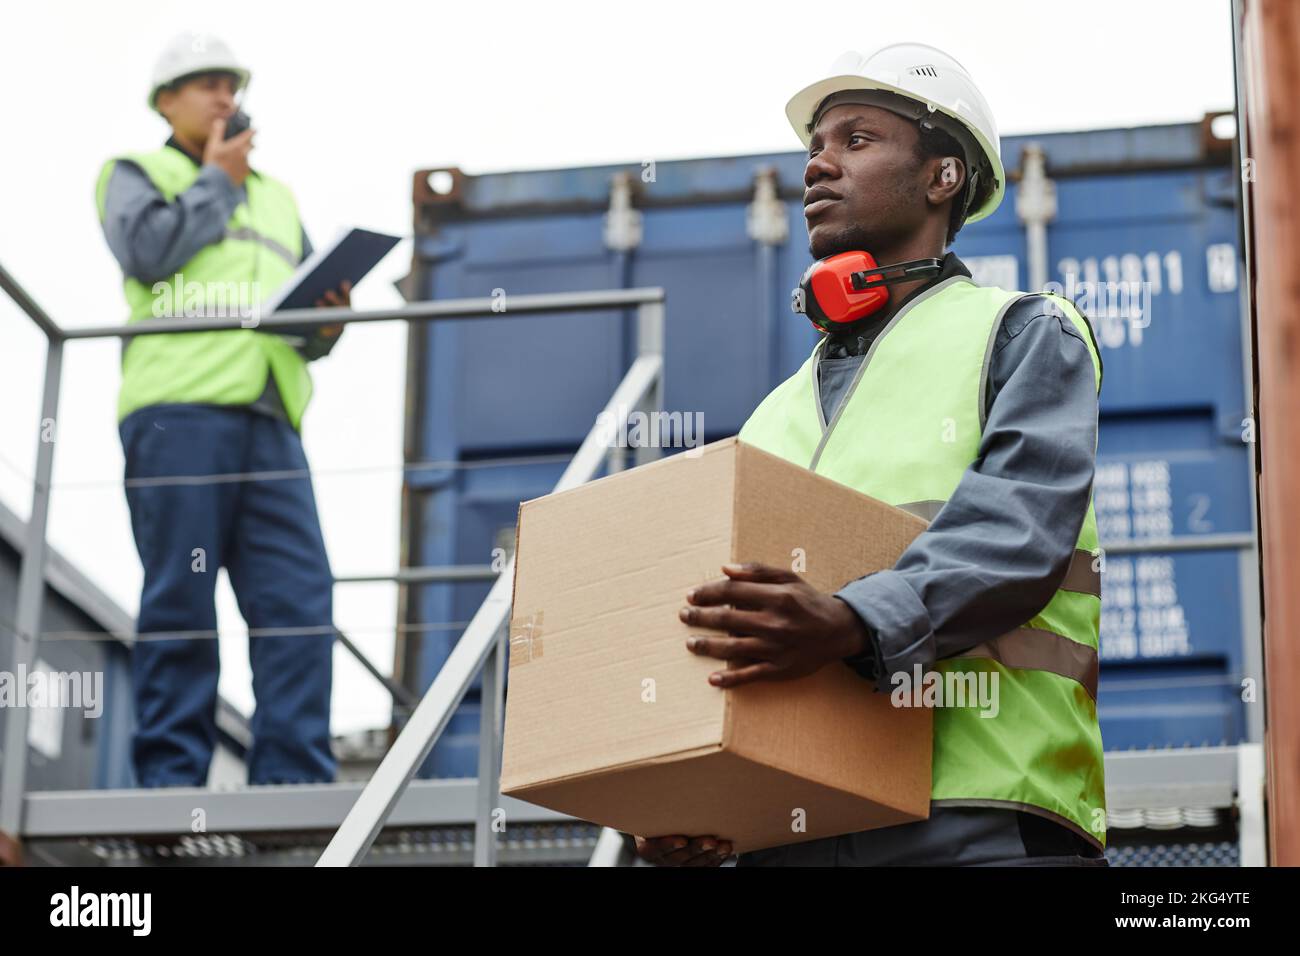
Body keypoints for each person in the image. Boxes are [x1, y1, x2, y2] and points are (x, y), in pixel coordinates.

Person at [635, 42, 1107, 866]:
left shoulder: (1023, 331)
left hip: (979, 816)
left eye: (856, 140)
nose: (818, 167)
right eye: (814, 148)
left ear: (943, 176)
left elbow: (1020, 530)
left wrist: (853, 620)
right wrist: (689, 790)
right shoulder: (771, 416)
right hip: (796, 824)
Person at [95, 31, 350, 787]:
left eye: (230, 84)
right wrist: (213, 180)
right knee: (180, 594)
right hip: (178, 417)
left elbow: (300, 317)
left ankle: (294, 783)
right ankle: (171, 782)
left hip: (271, 422)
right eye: (205, 84)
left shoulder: (277, 196)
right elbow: (147, 253)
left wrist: (329, 318)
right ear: (165, 101)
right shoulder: (134, 173)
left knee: (299, 601)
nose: (223, 97)